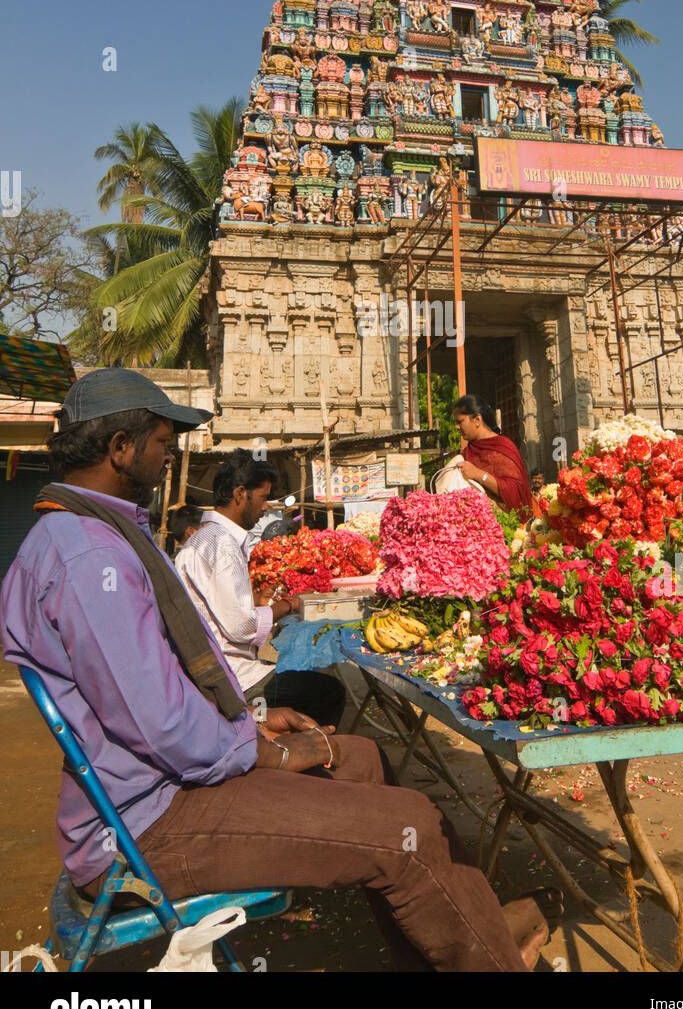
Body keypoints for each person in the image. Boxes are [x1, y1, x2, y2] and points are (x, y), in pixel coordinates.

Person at [0, 370, 551, 971]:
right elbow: (158, 722)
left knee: (363, 758)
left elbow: (160, 698)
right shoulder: (88, 558)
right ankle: (491, 955)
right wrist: (265, 751)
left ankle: (466, 936)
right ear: (121, 448)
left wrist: (248, 728)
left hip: (164, 779)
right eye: (161, 443)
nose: (168, 459)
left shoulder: (95, 534)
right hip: (147, 820)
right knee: (411, 831)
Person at [175, 449, 345, 731]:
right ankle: (308, 763)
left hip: (210, 670)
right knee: (329, 692)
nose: (266, 506)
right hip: (233, 678)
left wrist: (256, 601)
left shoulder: (203, 539)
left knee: (305, 680)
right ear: (241, 494)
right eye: (263, 497)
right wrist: (289, 605)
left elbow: (219, 607)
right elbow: (243, 626)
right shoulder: (223, 545)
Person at [453, 394, 536, 521]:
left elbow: (516, 490)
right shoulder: (468, 452)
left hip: (507, 525)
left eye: (460, 421)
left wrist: (478, 474)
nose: (457, 427)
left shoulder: (503, 446)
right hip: (477, 527)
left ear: (477, 420)